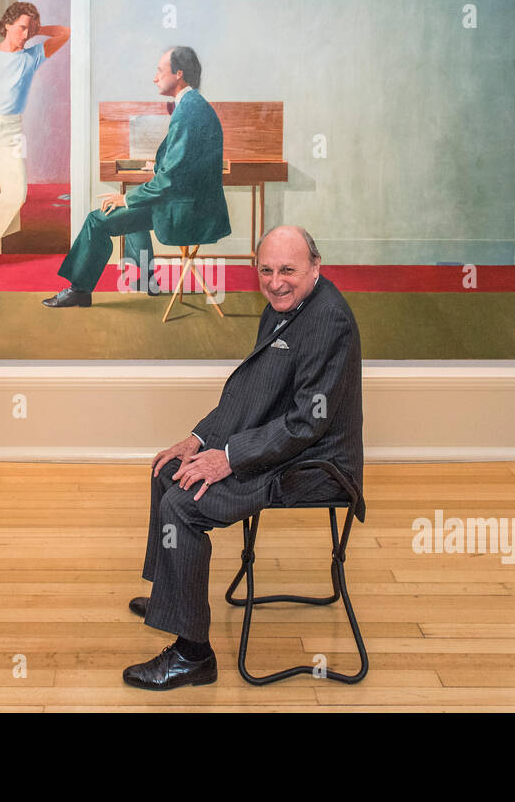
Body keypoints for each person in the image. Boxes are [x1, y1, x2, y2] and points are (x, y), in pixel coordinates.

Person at [123, 226, 363, 690]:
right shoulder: (286, 308)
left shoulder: (328, 320)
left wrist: (228, 459)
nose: (276, 282)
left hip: (317, 466)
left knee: (183, 504)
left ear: (316, 268)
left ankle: (193, 655)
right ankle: (170, 598)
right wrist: (197, 440)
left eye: (288, 270)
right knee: (168, 473)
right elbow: (251, 395)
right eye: (267, 270)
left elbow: (306, 424)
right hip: (287, 448)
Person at [43, 46, 230, 307]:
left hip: (187, 213)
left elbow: (170, 180)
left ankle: (80, 290)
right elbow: (183, 165)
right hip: (189, 204)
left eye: (159, 70)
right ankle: (147, 277)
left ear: (178, 73)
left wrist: (126, 199)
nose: (155, 77)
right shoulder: (192, 105)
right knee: (132, 210)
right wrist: (157, 166)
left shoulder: (189, 111)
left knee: (97, 219)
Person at [0, 2, 70, 268]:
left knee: (15, 192)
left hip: (12, 130)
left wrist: (35, 27)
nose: (25, 35)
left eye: (29, 30)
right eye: (21, 27)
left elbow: (65, 33)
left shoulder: (33, 56)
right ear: (6, 24)